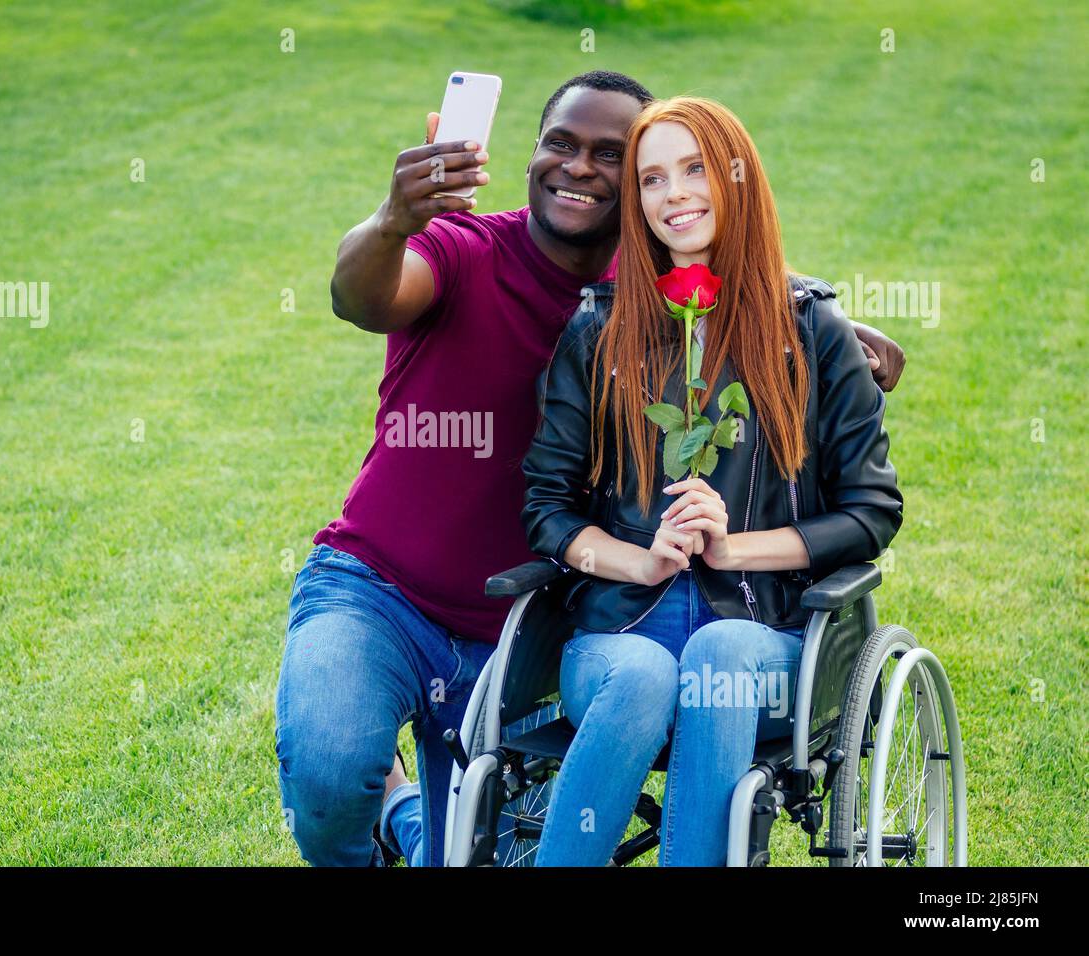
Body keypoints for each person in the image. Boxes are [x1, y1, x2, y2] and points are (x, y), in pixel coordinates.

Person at [276, 72, 905, 868]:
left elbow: (726, 274)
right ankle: (376, 825)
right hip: (384, 592)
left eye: (614, 156)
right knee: (333, 778)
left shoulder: (658, 306)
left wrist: (823, 320)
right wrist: (395, 220)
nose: (579, 167)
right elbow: (359, 298)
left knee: (465, 851)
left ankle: (410, 820)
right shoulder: (470, 256)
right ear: (532, 154)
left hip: (521, 636)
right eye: (561, 145)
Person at [519, 96, 904, 866]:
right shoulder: (600, 331)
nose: (676, 194)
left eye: (696, 169)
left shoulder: (812, 329)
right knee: (642, 671)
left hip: (769, 636)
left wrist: (734, 549)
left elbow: (873, 511)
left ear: (739, 179)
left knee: (721, 651)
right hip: (619, 632)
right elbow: (546, 506)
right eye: (653, 179)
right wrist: (641, 560)